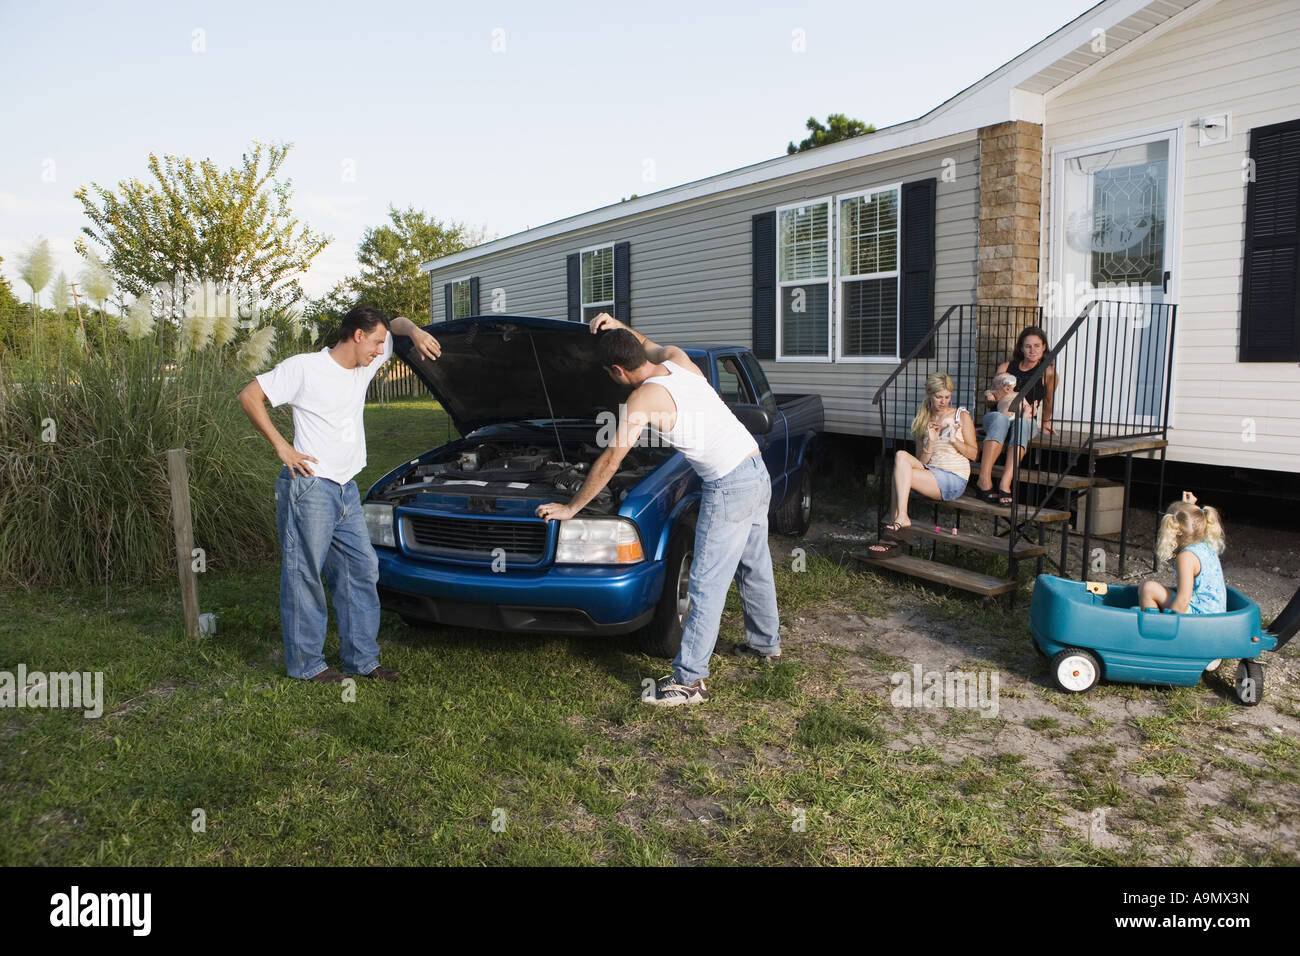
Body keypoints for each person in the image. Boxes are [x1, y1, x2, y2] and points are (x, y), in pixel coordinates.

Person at [535, 313, 780, 706]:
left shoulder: (643, 397)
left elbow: (613, 457)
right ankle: (766, 646)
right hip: (754, 468)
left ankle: (690, 682)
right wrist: (617, 324)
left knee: (705, 580)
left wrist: (572, 506)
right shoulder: (678, 360)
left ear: (617, 369)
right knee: (754, 564)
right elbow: (645, 340)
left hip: (729, 483)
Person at [238, 305, 442, 682]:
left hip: (347, 488)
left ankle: (362, 661)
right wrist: (282, 447)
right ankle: (307, 665)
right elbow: (250, 396)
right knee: (304, 575)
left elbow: (395, 324)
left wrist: (412, 331)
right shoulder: (304, 368)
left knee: (361, 568)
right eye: (377, 342)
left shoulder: (363, 368)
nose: (382, 351)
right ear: (358, 336)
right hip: (310, 487)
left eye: (384, 343)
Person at [868, 372, 978, 557]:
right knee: (901, 456)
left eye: (947, 397)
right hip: (930, 472)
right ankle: (899, 522)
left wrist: (954, 441)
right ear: (929, 395)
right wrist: (931, 442)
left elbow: (974, 454)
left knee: (900, 476)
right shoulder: (924, 420)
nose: (944, 401)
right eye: (939, 397)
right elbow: (921, 462)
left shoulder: (961, 416)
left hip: (953, 478)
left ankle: (892, 532)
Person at [973, 326, 1057, 506]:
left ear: (1044, 347)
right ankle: (984, 480)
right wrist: (997, 394)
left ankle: (1005, 482)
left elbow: (1049, 400)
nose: (1032, 350)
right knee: (1001, 419)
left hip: (1025, 419)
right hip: (997, 417)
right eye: (1028, 346)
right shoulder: (1006, 367)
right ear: (1021, 348)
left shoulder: (1048, 372)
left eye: (1036, 346)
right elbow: (992, 401)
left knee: (1024, 425)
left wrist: (1046, 421)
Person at [1138, 491, 1227, 614]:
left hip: (1199, 619)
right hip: (1214, 615)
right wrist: (1188, 506)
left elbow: (1183, 601)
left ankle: (1154, 628)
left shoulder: (1186, 557)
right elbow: (1191, 518)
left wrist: (1170, 622)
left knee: (1148, 588)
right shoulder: (1206, 544)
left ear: (1175, 531)